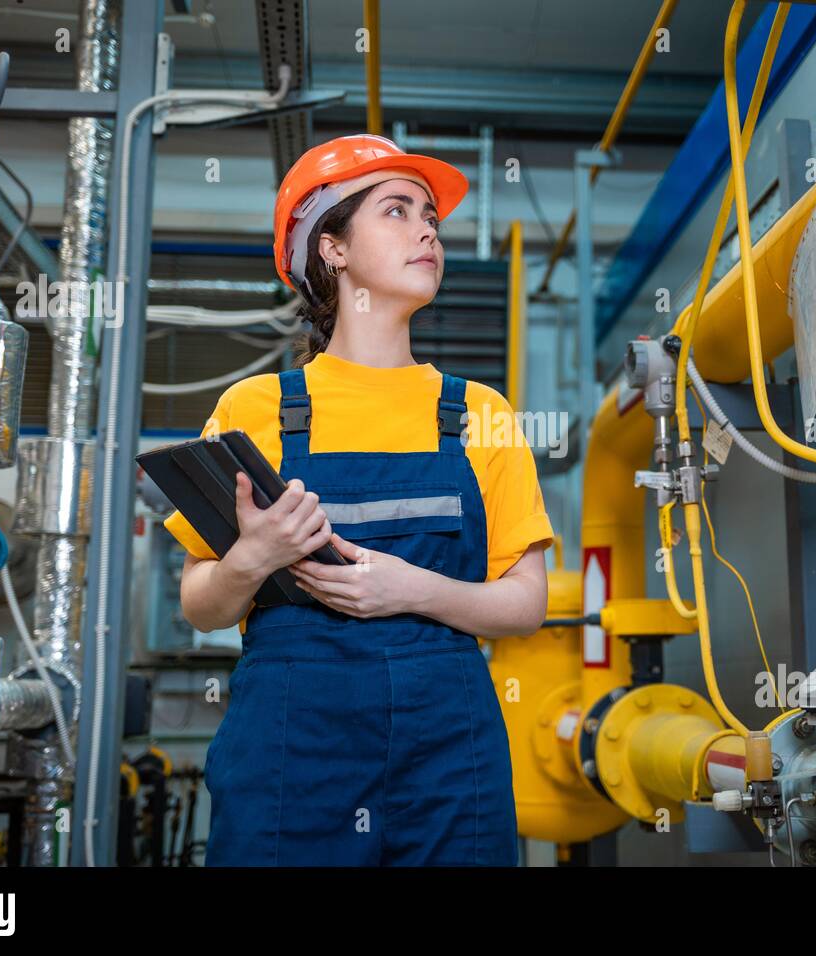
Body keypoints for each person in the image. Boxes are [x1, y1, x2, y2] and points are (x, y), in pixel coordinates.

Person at [163, 133, 554, 866]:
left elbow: (525, 605)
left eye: (431, 215)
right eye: (398, 211)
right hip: (292, 749)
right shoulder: (259, 407)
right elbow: (202, 605)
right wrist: (251, 559)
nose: (428, 229)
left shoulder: (480, 413)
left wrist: (411, 589)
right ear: (332, 248)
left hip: (448, 751)